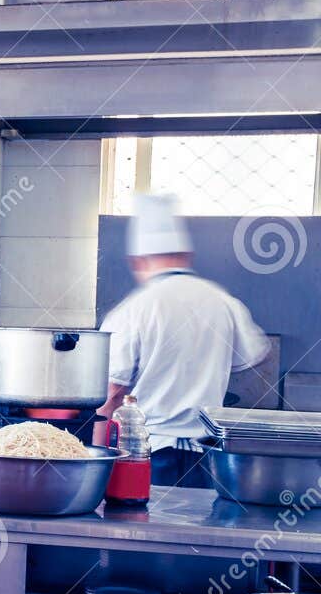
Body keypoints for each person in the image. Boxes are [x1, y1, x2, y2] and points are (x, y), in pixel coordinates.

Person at [98, 193, 270, 488]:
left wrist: (98, 456)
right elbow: (253, 356)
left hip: (146, 454)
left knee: (145, 529)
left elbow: (113, 392)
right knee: (199, 529)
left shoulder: (133, 310)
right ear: (186, 256)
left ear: (138, 261)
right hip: (209, 457)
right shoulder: (222, 301)